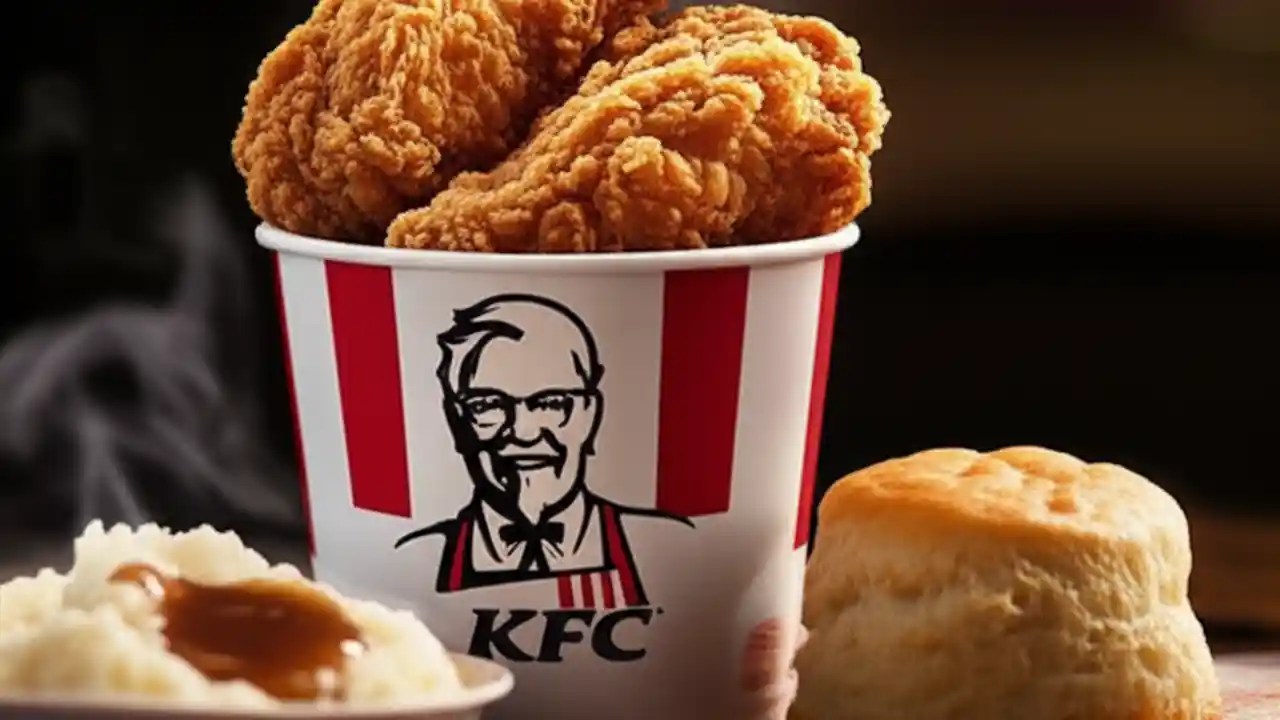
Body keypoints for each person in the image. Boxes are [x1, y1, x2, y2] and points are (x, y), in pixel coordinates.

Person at [395, 294, 689, 604]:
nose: (524, 432)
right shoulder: (411, 557)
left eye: (551, 403)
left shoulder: (670, 545)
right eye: (487, 405)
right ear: (456, 421)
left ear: (589, 414)